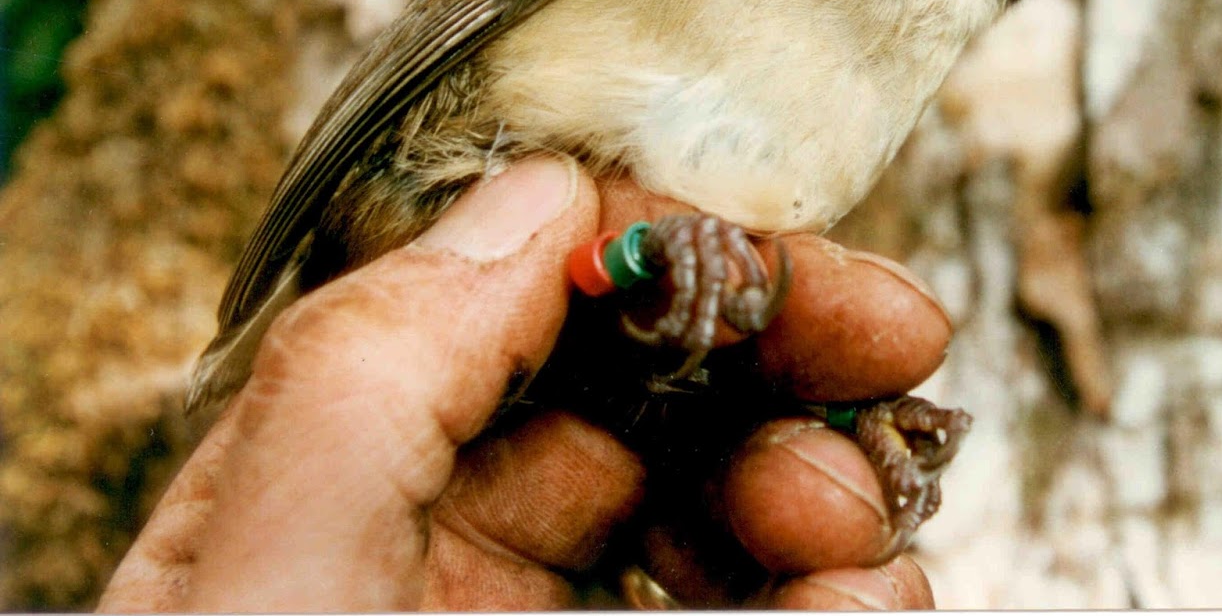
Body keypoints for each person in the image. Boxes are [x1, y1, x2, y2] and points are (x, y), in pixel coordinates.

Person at [98, 156, 953, 610]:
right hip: (564, 315)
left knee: (707, 408)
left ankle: (828, 411)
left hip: (598, 391)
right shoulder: (512, 217)